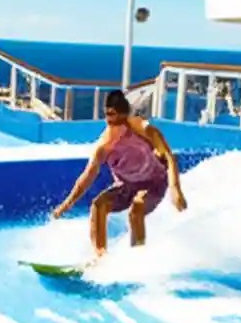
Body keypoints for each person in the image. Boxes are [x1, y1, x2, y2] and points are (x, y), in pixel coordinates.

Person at [52, 90, 187, 258]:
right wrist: (66, 205)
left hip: (155, 183)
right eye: (107, 114)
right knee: (98, 205)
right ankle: (100, 256)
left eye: (113, 115)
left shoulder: (142, 129)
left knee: (136, 209)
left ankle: (138, 256)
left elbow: (168, 156)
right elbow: (87, 177)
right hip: (127, 186)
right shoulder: (103, 146)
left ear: (124, 115)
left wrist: (176, 189)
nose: (109, 120)